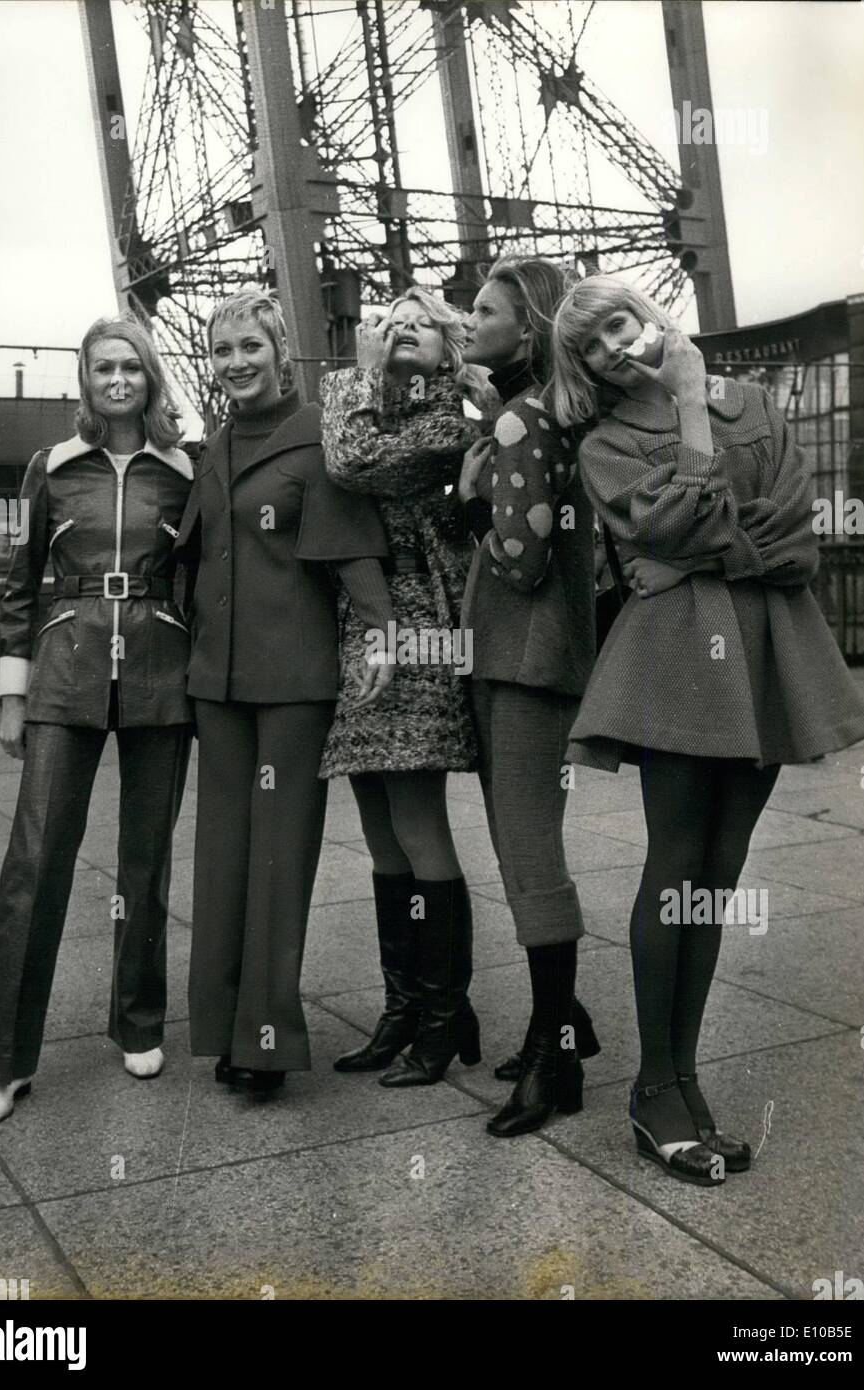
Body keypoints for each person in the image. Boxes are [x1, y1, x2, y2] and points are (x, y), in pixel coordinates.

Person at [549, 273, 864, 1185]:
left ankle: (682, 1080)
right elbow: (671, 525)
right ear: (587, 371)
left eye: (618, 323)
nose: (614, 346)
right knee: (675, 862)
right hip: (675, 662)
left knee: (718, 875)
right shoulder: (608, 444)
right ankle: (655, 1087)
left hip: (768, 650)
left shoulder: (762, 409)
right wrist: (690, 405)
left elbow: (796, 540)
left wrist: (692, 555)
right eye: (591, 348)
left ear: (647, 314)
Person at [0, 316, 195, 1128]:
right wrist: (11, 695)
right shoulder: (52, 469)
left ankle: (137, 1021)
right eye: (103, 368)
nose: (118, 381)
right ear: (86, 381)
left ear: (150, 376)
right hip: (64, 677)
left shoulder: (181, 470)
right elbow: (20, 584)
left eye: (131, 367)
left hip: (160, 681)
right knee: (32, 862)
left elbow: (200, 582)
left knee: (146, 863)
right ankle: (4, 1060)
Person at [175, 289, 395, 1098]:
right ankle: (224, 1028)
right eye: (223, 350)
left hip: (295, 682)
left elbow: (349, 553)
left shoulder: (314, 440)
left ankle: (264, 1041)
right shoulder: (218, 446)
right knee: (222, 859)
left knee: (278, 858)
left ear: (281, 350)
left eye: (251, 348)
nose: (236, 363)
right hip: (218, 683)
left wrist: (380, 632)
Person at [456, 256, 604, 1138]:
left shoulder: (521, 422)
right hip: (538, 659)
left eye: (484, 310)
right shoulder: (553, 413)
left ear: (528, 327)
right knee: (525, 848)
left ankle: (554, 1058)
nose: (468, 321)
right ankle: (569, 1025)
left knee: (527, 856)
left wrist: (472, 502)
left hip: (519, 661)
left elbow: (519, 561)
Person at [319, 287, 482, 1087]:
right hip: (360, 626)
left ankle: (445, 1013)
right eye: (389, 325)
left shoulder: (448, 421)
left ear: (451, 351)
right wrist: (358, 380)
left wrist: (355, 375)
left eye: (421, 327)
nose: (402, 333)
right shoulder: (360, 402)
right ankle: (406, 1006)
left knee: (416, 818)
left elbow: (349, 465)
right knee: (379, 822)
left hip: (423, 623)